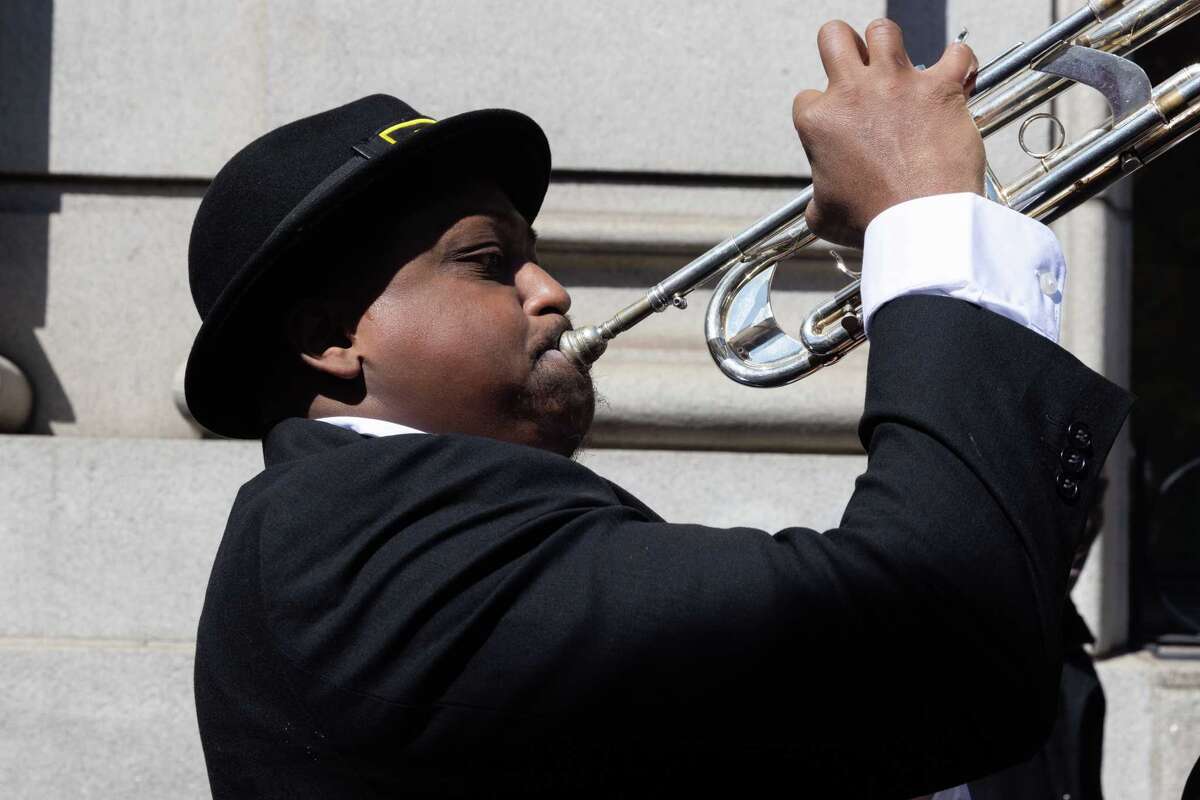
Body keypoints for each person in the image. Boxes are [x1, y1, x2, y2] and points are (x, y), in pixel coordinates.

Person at [187, 19, 1132, 799]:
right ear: (331, 338)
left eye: (533, 255)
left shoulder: (405, 535)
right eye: (487, 262)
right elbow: (939, 636)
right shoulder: (360, 541)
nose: (551, 291)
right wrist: (928, 221)